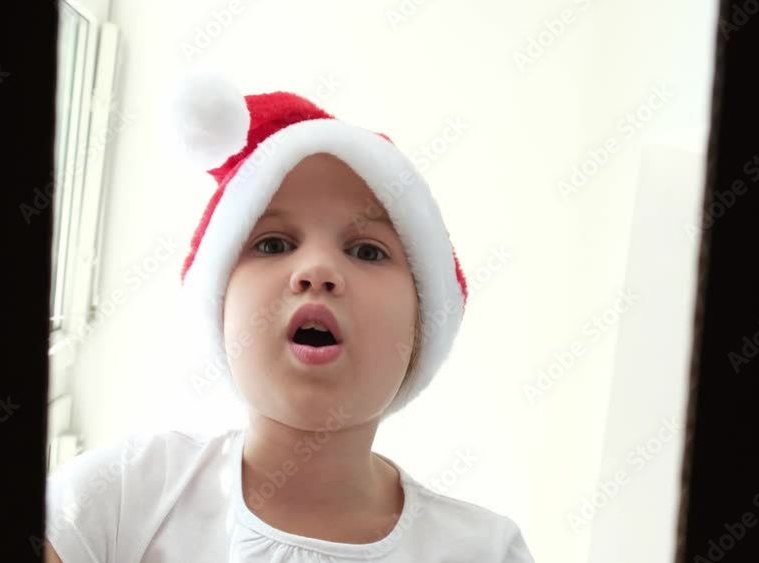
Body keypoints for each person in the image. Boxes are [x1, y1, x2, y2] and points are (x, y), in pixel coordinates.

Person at [43, 73, 535, 562]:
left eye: (366, 251)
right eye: (273, 244)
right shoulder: (120, 497)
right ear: (217, 306)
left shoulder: (484, 550)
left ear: (423, 325)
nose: (317, 270)